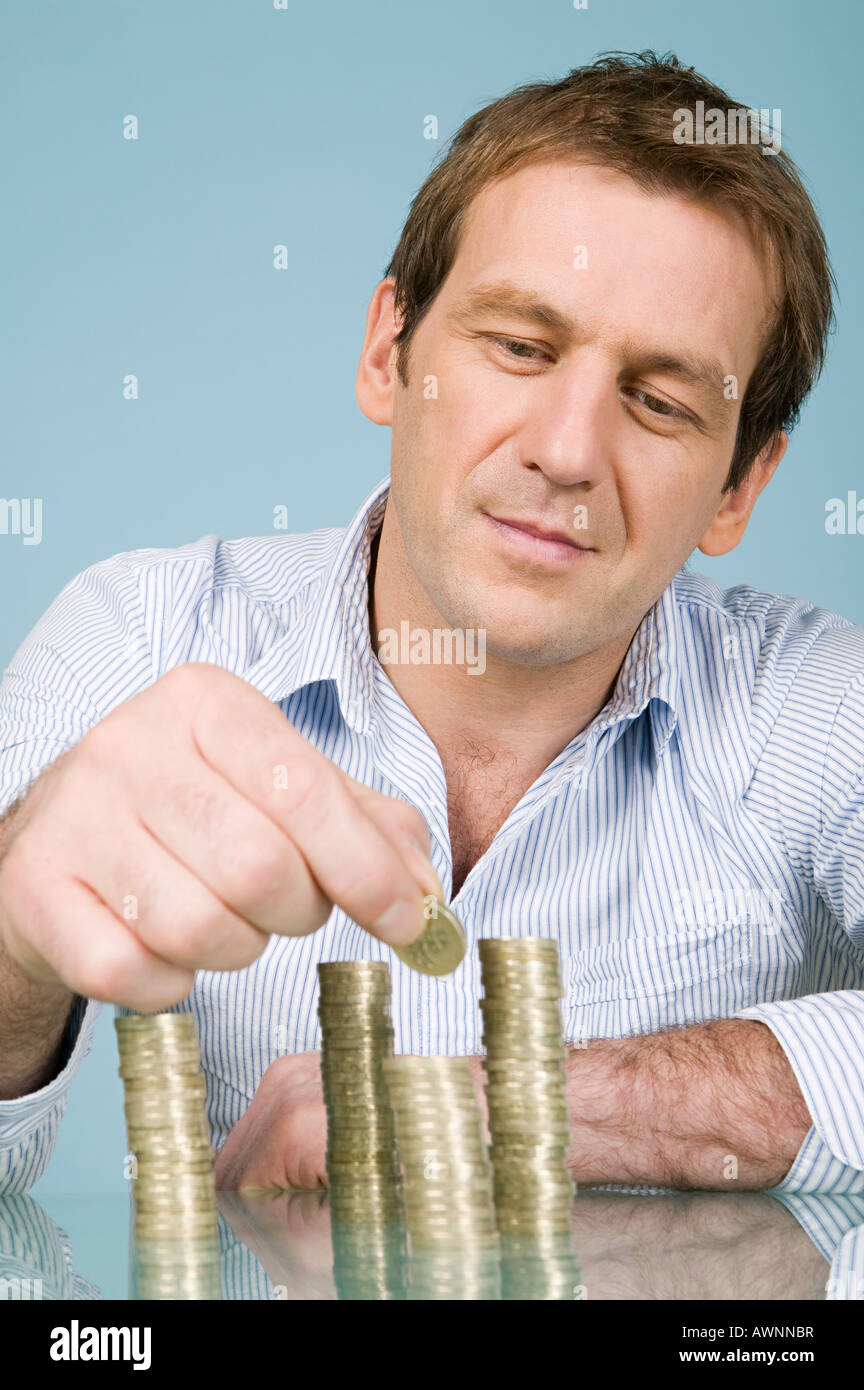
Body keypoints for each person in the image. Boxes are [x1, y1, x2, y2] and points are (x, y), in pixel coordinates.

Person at [1, 51, 860, 1199]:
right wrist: (10, 942)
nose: (565, 450)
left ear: (742, 487)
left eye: (658, 402)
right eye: (520, 346)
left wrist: (497, 1107)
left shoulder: (820, 704)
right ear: (386, 352)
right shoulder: (139, 633)